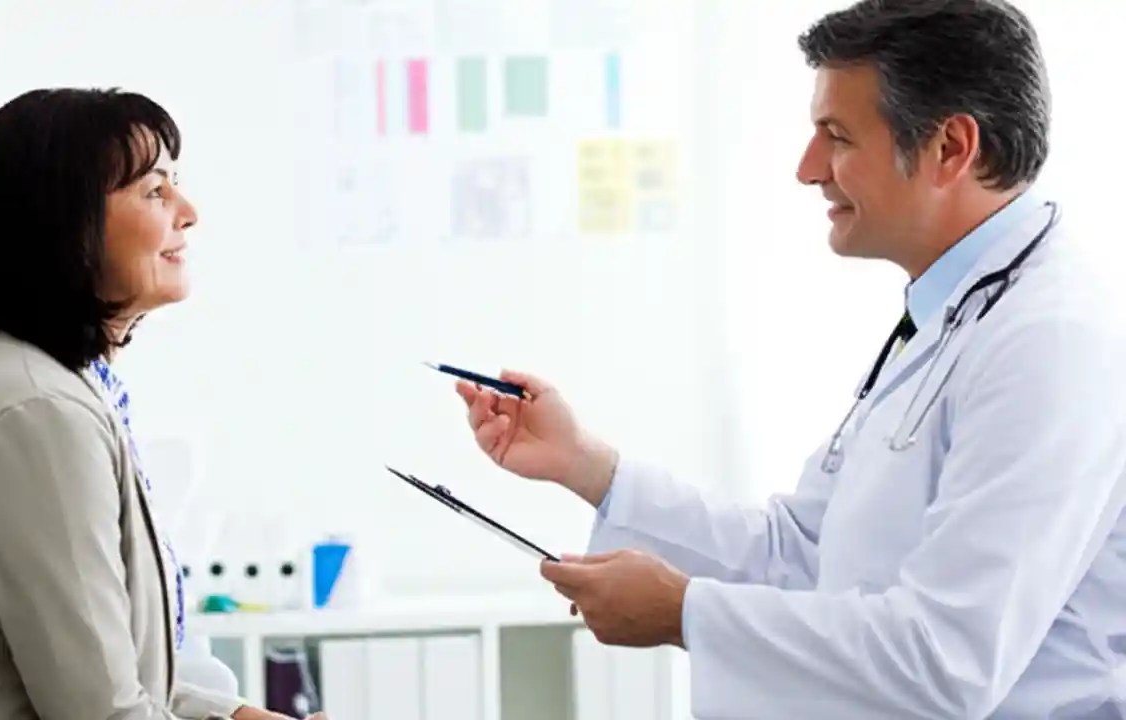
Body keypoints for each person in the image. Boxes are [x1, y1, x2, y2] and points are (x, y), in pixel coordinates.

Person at [455, 1, 1126, 717]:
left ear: (950, 148)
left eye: (837, 137)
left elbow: (946, 658)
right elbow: (801, 552)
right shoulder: (951, 318)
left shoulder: (1049, 344)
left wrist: (684, 612)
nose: (808, 170)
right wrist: (585, 465)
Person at [0, 88, 323, 720]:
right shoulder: (34, 412)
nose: (188, 213)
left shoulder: (54, 387)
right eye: (154, 191)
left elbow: (123, 671)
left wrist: (241, 717)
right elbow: (102, 712)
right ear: (65, 225)